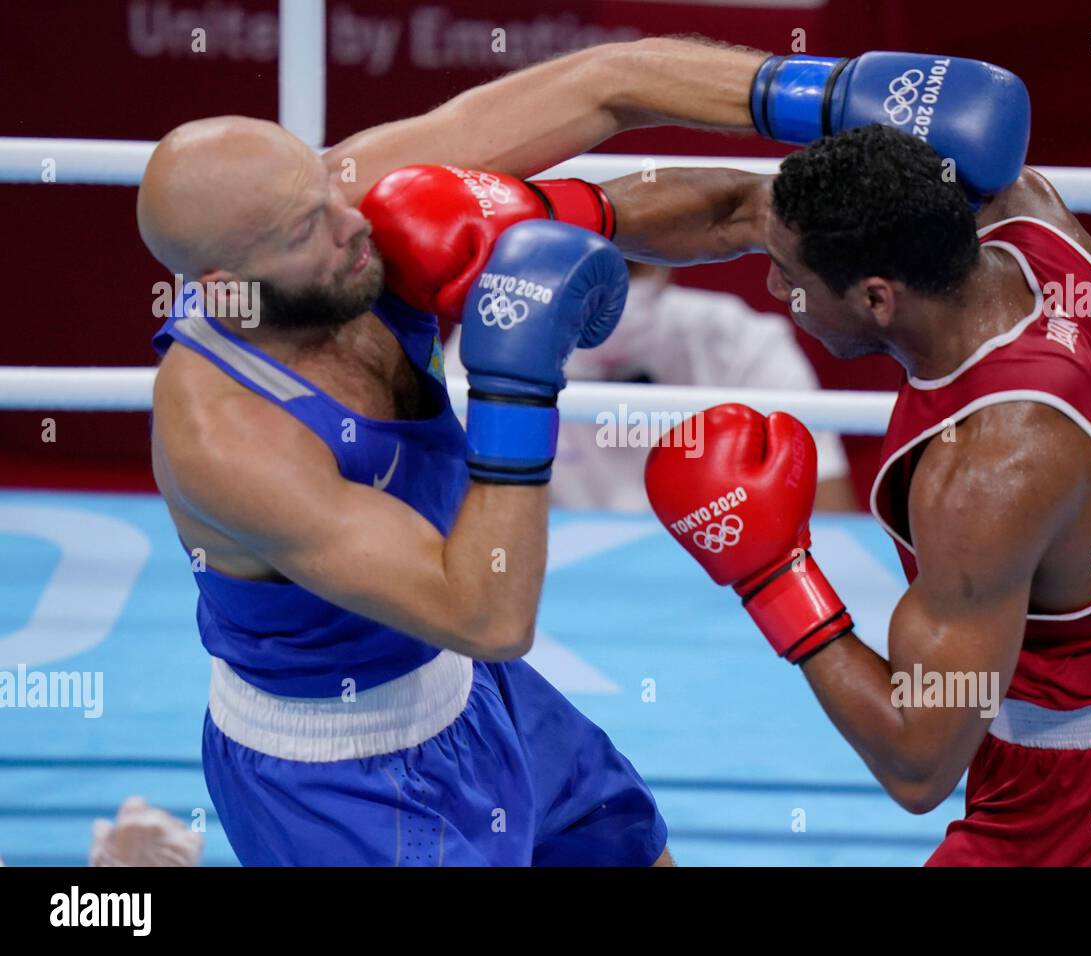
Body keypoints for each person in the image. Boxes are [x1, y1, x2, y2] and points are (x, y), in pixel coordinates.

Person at [137, 38, 1026, 866]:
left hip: (471, 689)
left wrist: (827, 105)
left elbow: (611, 83)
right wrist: (516, 382)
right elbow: (486, 611)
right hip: (339, 780)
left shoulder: (350, 207)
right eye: (307, 228)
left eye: (326, 185)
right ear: (224, 287)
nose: (351, 216)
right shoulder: (225, 434)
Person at [641, 111, 1091, 860]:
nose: (772, 285)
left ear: (877, 299)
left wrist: (771, 575)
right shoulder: (1035, 226)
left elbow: (919, 760)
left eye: (790, 280)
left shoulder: (981, 473)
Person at [445, 260, 856, 512]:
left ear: (668, 262)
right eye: (590, 276)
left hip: (725, 590)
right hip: (548, 585)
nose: (612, 296)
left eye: (631, 267)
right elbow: (452, 520)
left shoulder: (741, 338)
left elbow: (830, 516)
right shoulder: (488, 346)